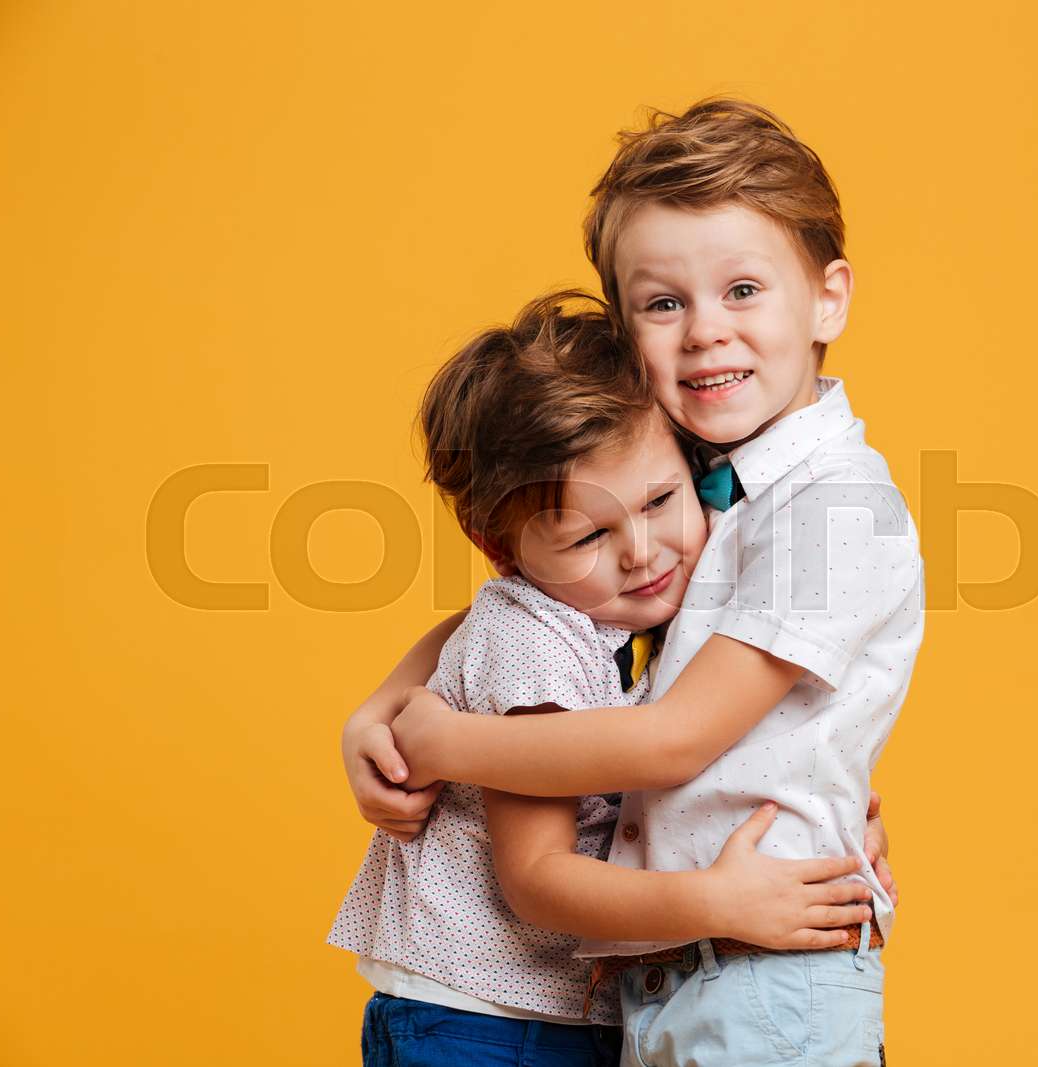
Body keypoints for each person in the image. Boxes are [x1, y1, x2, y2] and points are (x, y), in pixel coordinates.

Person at [379, 99, 924, 1067]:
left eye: (744, 289)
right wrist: (385, 700)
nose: (706, 332)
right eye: (664, 303)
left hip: (758, 968)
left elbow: (675, 738)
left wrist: (451, 738)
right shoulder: (706, 488)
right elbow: (530, 606)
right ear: (627, 339)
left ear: (827, 300)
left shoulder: (827, 505)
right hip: (671, 970)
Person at [328, 292, 879, 1067]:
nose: (643, 552)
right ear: (500, 548)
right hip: (490, 1019)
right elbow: (538, 878)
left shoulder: (643, 598)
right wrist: (718, 905)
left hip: (555, 1012)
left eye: (660, 500)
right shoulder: (533, 639)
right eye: (589, 534)